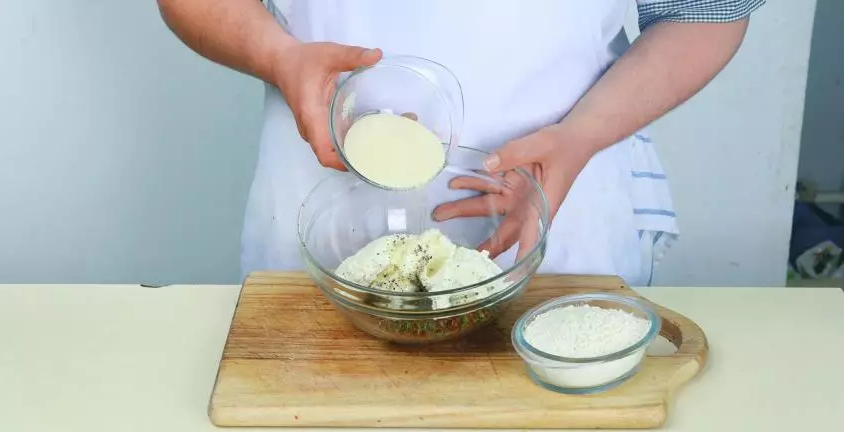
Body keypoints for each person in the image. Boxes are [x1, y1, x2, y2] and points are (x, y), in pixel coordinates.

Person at [157, 0, 764, 286]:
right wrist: (279, 56)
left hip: (556, 221)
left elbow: (704, 12)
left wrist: (581, 137)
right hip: (318, 219)